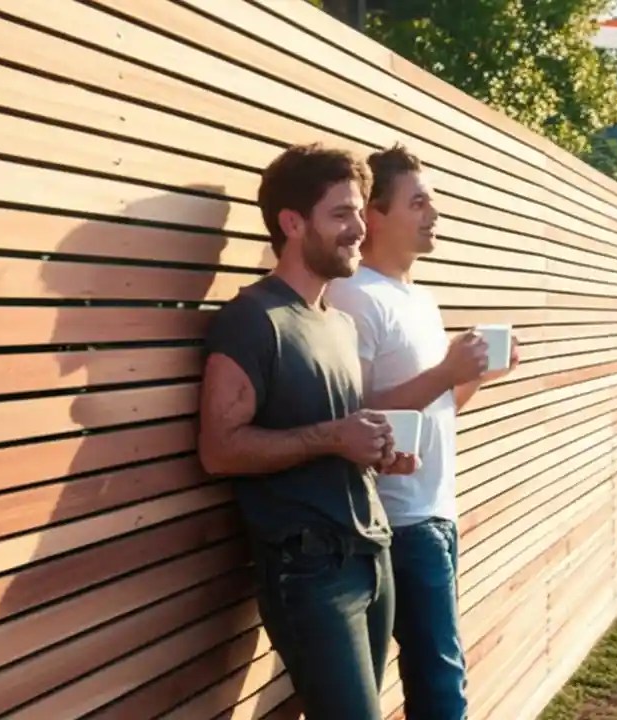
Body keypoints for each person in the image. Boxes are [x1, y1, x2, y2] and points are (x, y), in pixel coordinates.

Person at [197, 142, 419, 719]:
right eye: (341, 214)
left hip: (373, 553)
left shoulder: (340, 324)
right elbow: (220, 450)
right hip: (311, 571)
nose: (358, 230)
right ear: (292, 223)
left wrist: (374, 452)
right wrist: (333, 439)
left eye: (359, 213)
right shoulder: (251, 318)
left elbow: (331, 434)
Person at [325, 144, 520, 720]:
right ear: (376, 215)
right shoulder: (354, 296)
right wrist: (443, 371)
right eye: (419, 201)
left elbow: (439, 405)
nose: (434, 212)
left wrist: (474, 376)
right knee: (440, 682)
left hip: (435, 512)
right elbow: (351, 412)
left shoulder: (420, 299)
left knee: (435, 672)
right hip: (395, 521)